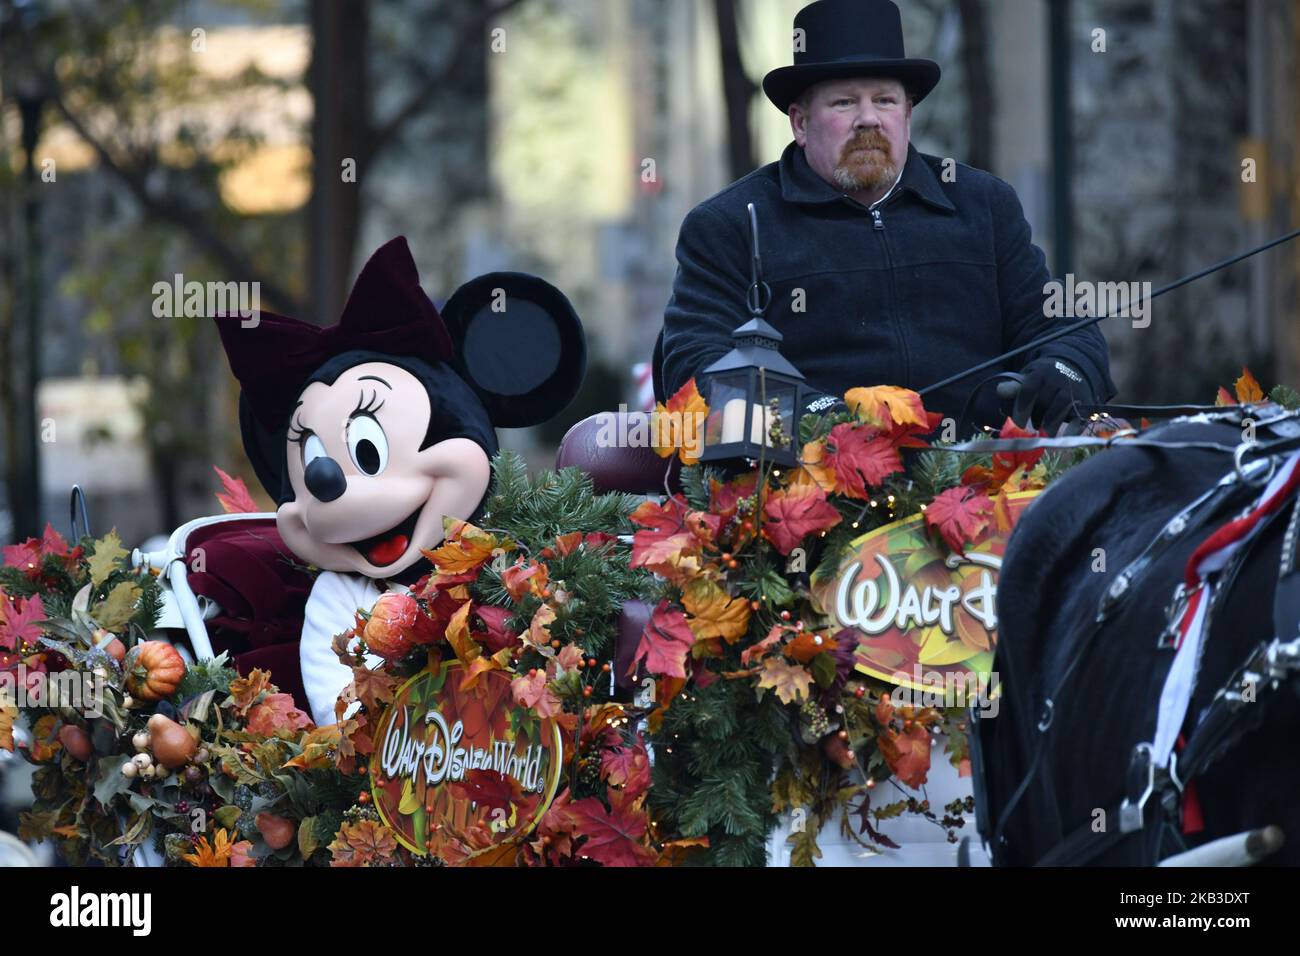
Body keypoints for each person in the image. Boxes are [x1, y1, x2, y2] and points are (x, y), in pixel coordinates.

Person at [659, 0, 1115, 434]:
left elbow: (1061, 322)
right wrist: (814, 418)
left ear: (908, 113)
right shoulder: (729, 225)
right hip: (807, 490)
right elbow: (695, 360)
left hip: (983, 483)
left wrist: (1066, 367)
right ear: (800, 123)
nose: (868, 120)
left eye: (885, 101)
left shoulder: (984, 205)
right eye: (843, 103)